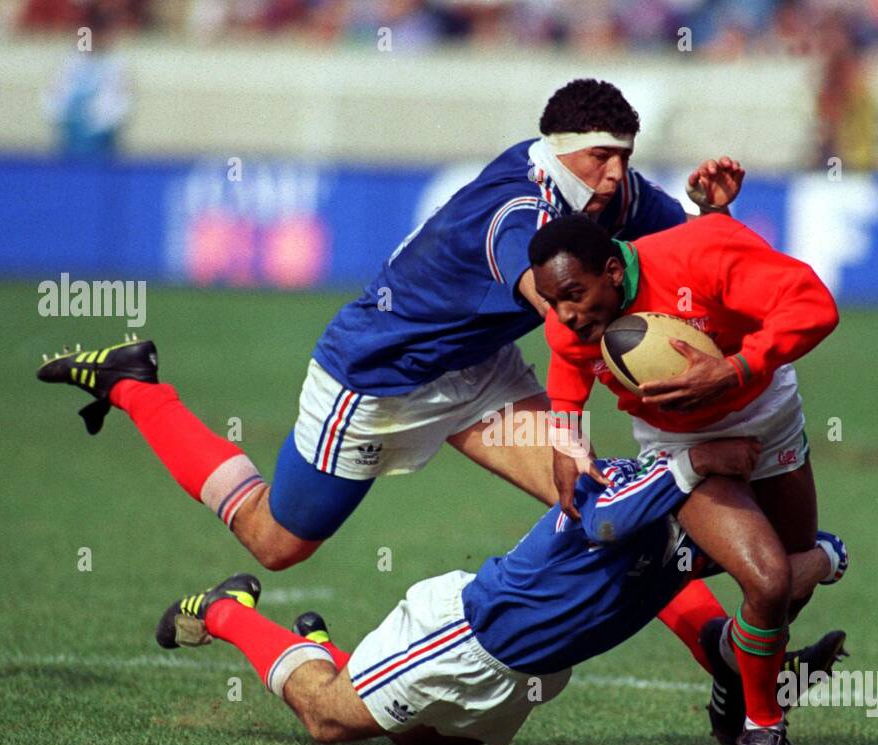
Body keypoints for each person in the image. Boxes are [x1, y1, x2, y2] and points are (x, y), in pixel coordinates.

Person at [37, 78, 749, 680]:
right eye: (600, 157)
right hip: (378, 378)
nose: (616, 174)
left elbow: (683, 250)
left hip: (479, 371)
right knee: (277, 542)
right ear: (561, 152)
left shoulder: (612, 198)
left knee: (599, 504)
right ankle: (137, 386)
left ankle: (724, 657)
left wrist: (711, 216)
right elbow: (563, 305)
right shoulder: (515, 211)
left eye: (624, 157)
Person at [154, 440, 847, 745]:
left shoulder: (711, 531)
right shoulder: (633, 478)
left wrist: (826, 555)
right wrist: (692, 463)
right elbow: (600, 519)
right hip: (465, 636)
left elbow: (772, 580)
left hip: (533, 675)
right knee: (328, 721)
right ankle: (225, 611)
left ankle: (332, 655)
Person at [529, 212, 844, 745]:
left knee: (785, 595)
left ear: (610, 269)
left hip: (769, 419)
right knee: (768, 578)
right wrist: (566, 442)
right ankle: (763, 736)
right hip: (683, 448)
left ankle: (731, 666)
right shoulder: (570, 322)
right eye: (555, 303)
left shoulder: (701, 250)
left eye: (575, 295)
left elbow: (815, 306)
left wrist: (735, 367)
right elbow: (568, 381)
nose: (568, 316)